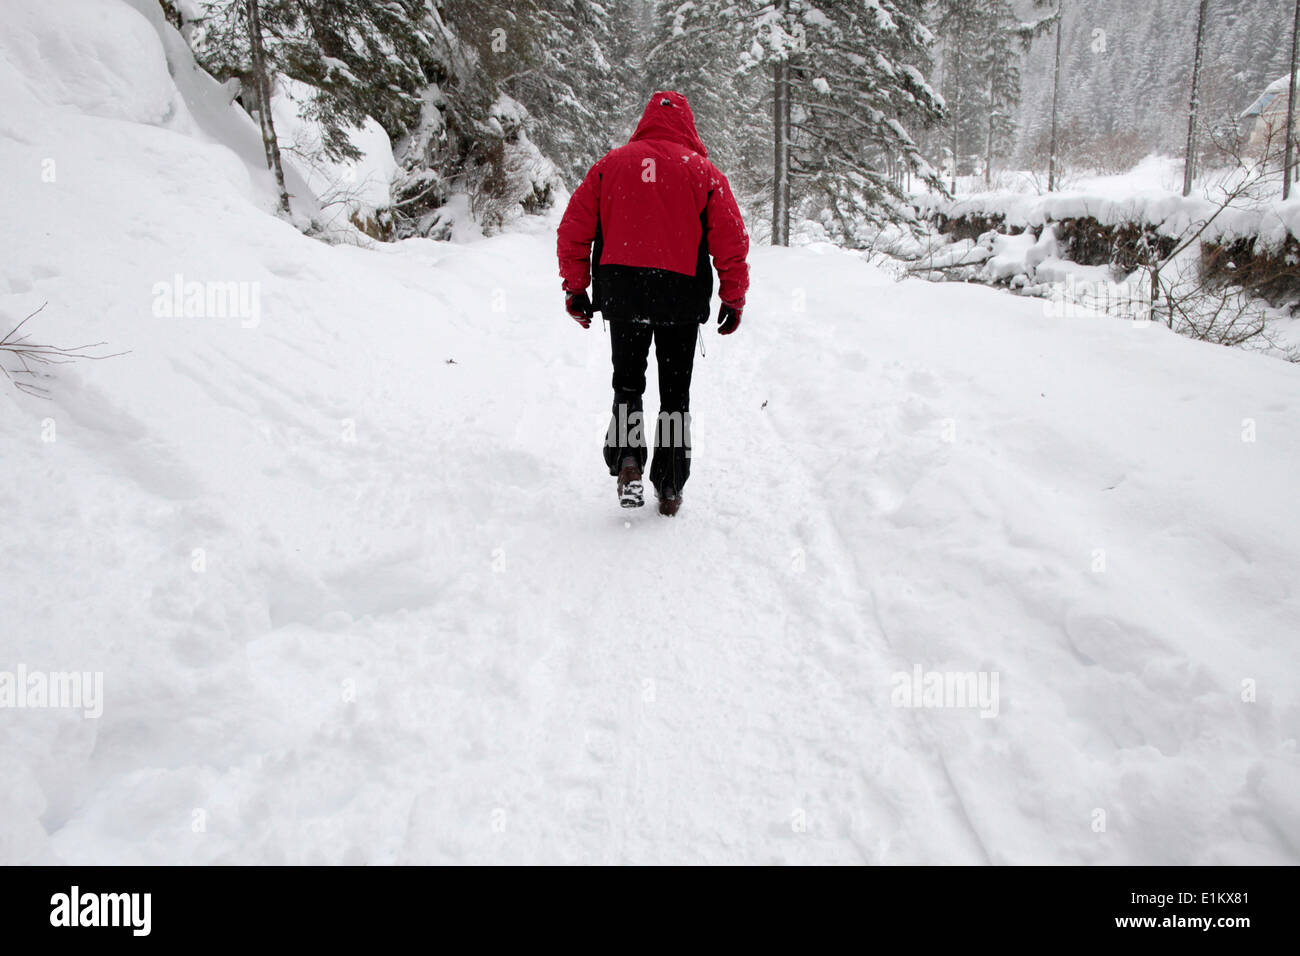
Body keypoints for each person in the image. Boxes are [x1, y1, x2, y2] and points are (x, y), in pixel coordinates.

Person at [556, 90, 750, 517]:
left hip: (623, 292)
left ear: (646, 122)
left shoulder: (612, 165)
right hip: (680, 296)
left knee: (628, 384)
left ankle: (628, 460)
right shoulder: (703, 172)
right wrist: (732, 297)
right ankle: (671, 483)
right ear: (688, 126)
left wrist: (576, 288)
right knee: (675, 393)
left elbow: (574, 228)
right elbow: (731, 241)